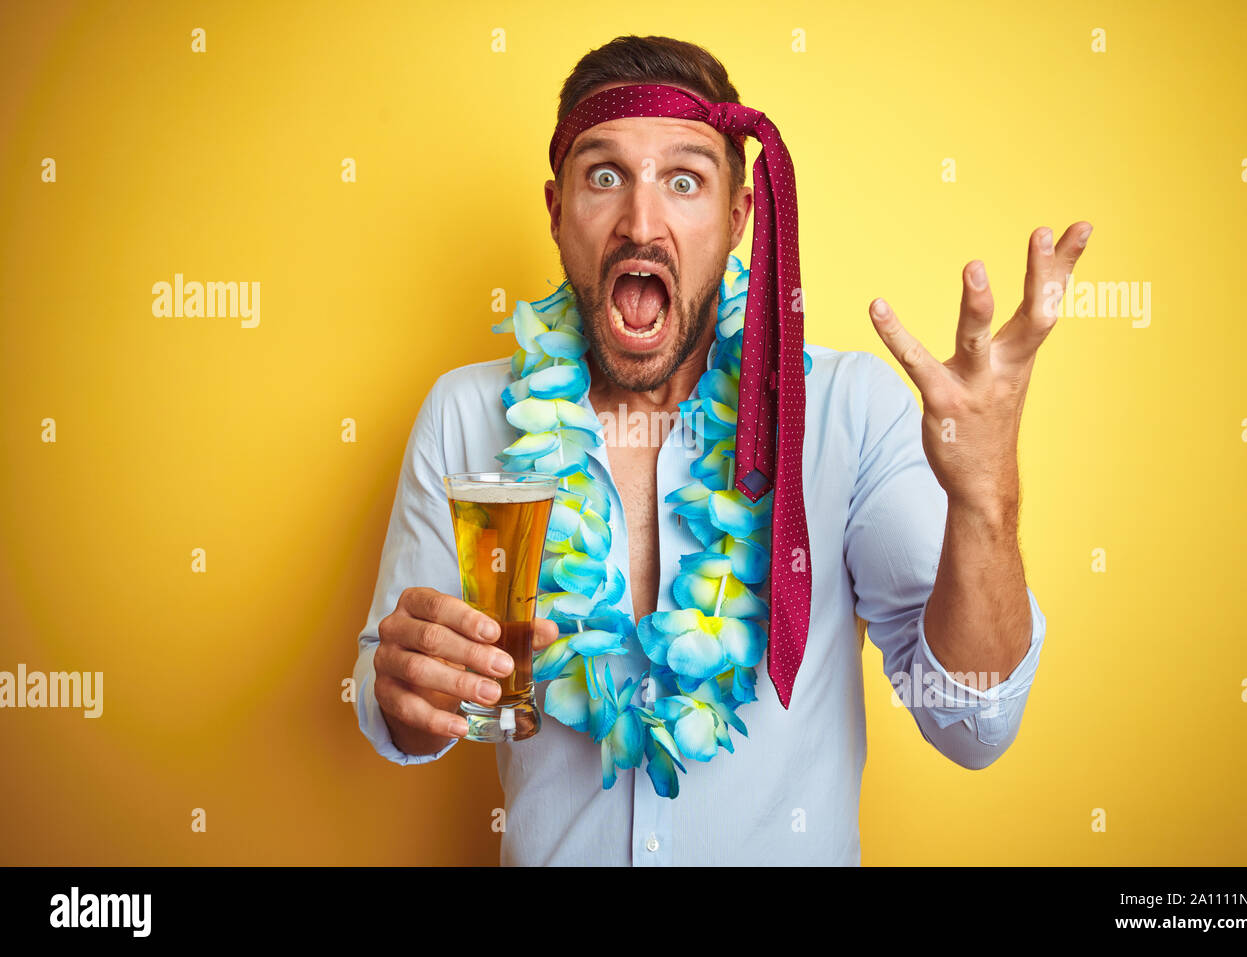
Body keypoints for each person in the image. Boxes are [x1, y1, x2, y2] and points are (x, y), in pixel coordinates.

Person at [352, 35, 1088, 865]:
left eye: (685, 180)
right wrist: (405, 690)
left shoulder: (849, 411)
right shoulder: (464, 415)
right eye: (605, 176)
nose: (640, 222)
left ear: (739, 218)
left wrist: (986, 496)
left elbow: (973, 724)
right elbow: (394, 708)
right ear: (557, 212)